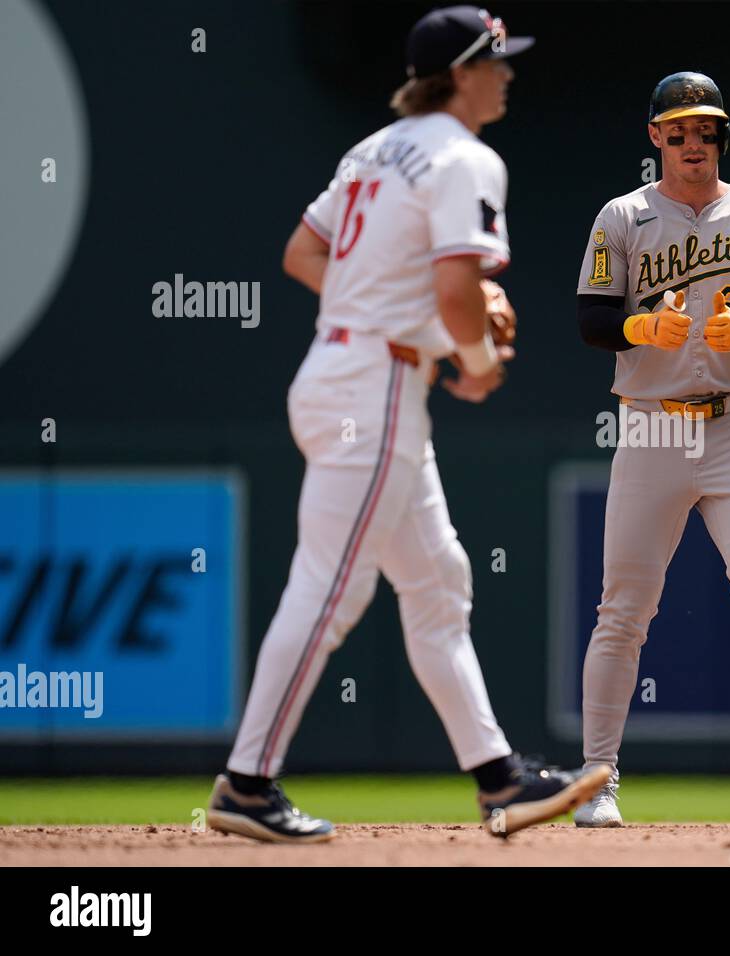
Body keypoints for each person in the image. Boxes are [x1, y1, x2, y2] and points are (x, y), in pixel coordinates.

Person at [208, 5, 609, 844]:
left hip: (347, 371)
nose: (507, 74)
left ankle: (500, 780)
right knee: (328, 589)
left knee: (437, 585)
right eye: (495, 62)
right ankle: (246, 783)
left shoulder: (370, 150)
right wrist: (476, 360)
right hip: (375, 391)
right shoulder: (466, 157)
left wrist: (399, 321)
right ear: (460, 73)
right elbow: (461, 293)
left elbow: (302, 254)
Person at [571, 72, 730, 827]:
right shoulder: (623, 216)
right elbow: (590, 319)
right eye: (676, 129)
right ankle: (598, 777)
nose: (691, 142)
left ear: (720, 136)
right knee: (624, 609)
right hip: (652, 422)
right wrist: (636, 328)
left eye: (704, 129)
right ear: (655, 137)